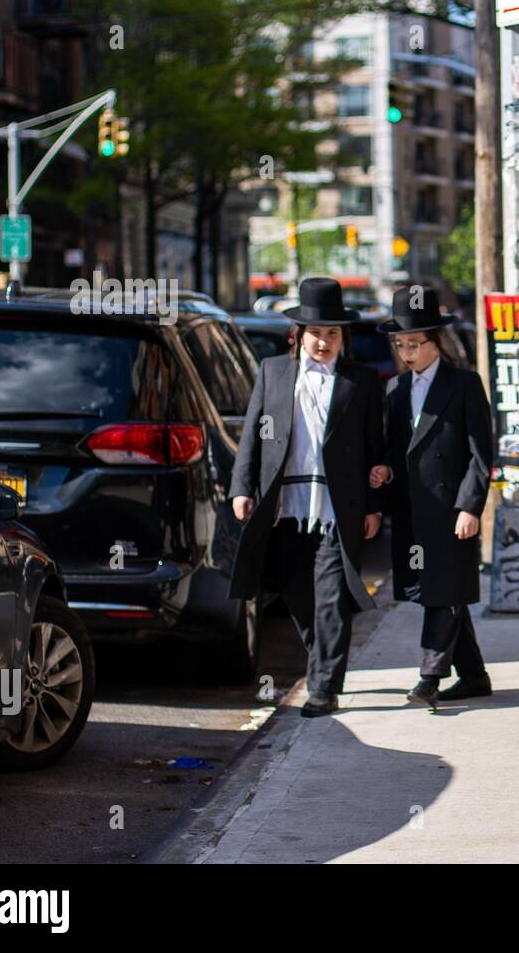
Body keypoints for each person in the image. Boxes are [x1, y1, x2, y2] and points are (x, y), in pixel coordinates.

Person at [228, 277, 384, 718]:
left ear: (342, 338)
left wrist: (375, 503)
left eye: (333, 334)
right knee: (298, 598)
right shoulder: (273, 372)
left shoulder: (362, 381)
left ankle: (323, 688)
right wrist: (242, 488)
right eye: (318, 334)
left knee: (333, 597)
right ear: (299, 335)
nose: (325, 342)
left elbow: (376, 444)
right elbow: (251, 437)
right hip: (284, 509)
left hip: (337, 509)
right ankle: (322, 664)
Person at [373, 285, 494, 709]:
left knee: (444, 593)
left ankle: (429, 677)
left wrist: (470, 505)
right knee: (444, 591)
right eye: (400, 343)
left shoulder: (464, 384)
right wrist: (383, 470)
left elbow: (482, 453)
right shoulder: (395, 390)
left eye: (415, 343)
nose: (407, 352)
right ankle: (475, 676)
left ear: (435, 341)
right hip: (412, 510)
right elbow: (393, 449)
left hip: (451, 510)